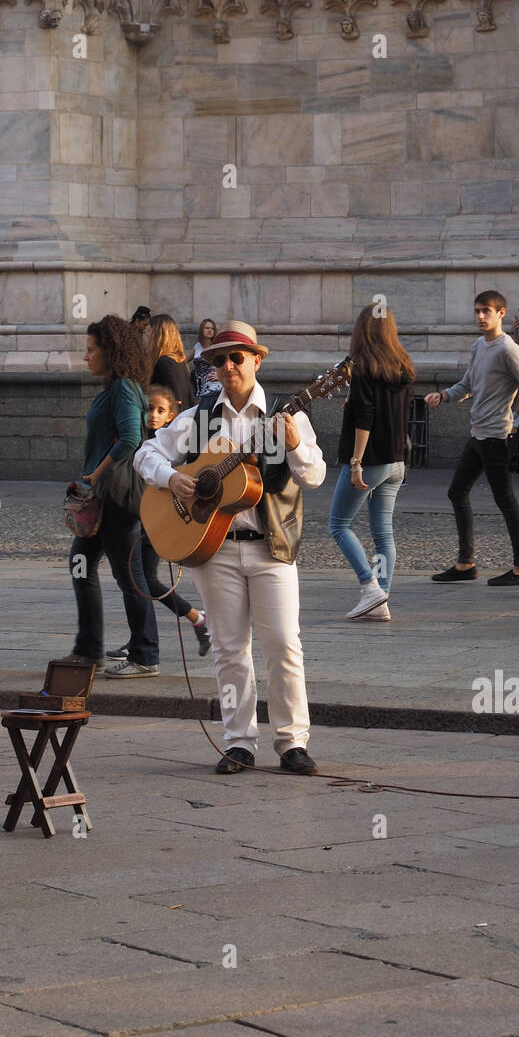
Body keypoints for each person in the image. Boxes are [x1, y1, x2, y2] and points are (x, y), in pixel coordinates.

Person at [134, 320, 325, 775]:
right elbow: (145, 454)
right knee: (228, 647)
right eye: (218, 360)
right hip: (213, 547)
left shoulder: (286, 414)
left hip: (270, 546)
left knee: (282, 644)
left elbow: (314, 476)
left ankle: (291, 742)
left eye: (236, 357)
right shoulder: (198, 416)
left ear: (257, 360)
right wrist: (174, 478)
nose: (227, 366)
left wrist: (296, 446)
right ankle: (239, 742)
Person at [426, 291, 519, 586]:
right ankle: (465, 563)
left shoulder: (508, 349)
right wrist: (444, 395)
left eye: (486, 311)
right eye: (477, 311)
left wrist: (518, 425)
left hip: (497, 437)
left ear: (501, 313)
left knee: (505, 500)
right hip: (477, 434)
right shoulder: (478, 345)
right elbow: (467, 384)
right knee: (457, 491)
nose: (480, 317)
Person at [68, 316, 160, 678]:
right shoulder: (115, 387)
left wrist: (95, 473)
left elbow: (130, 439)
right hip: (101, 496)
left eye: (91, 349)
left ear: (111, 351)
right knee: (82, 564)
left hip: (116, 498)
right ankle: (89, 650)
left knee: (130, 576)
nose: (85, 357)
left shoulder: (123, 387)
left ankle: (145, 654)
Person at [108, 385, 211, 661]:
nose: (153, 415)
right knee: (141, 579)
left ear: (171, 416)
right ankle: (187, 623)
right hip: (145, 515)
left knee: (143, 580)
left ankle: (197, 619)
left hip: (161, 517)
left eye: (160, 410)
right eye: (149, 409)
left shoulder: (175, 442)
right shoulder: (144, 439)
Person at [329, 304, 414, 620]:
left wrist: (355, 462)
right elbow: (392, 414)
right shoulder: (403, 367)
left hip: (371, 461)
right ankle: (380, 600)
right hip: (396, 461)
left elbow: (365, 420)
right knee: (383, 533)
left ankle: (370, 587)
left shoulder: (363, 367)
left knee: (339, 525)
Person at [146, 313, 195, 412]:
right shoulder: (178, 360)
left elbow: (175, 398)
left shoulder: (164, 362)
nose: (147, 334)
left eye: (149, 330)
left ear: (158, 333)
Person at [190, 317, 219, 398]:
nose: (210, 330)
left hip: (213, 384)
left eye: (212, 328)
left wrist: (219, 376)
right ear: (201, 330)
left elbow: (226, 364)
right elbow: (184, 360)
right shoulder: (197, 346)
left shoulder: (217, 347)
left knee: (207, 407)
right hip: (199, 384)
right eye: (207, 328)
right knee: (202, 407)